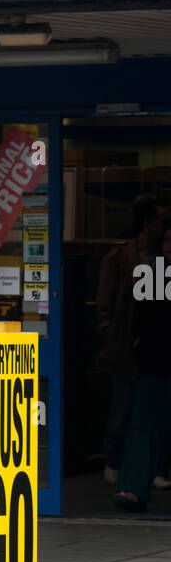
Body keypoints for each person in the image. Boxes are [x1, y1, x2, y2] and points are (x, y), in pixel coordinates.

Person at [96, 194, 165, 483]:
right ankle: (114, 462)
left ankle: (155, 469)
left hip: (156, 347)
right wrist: (114, 338)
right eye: (162, 222)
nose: (165, 228)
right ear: (147, 223)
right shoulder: (120, 259)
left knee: (154, 411)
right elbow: (104, 306)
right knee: (122, 411)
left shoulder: (164, 258)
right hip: (126, 346)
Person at [114, 212, 171, 513]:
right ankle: (133, 489)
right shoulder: (153, 272)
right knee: (144, 429)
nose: (170, 246)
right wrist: (136, 346)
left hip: (158, 360)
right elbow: (137, 316)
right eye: (167, 240)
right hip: (156, 362)